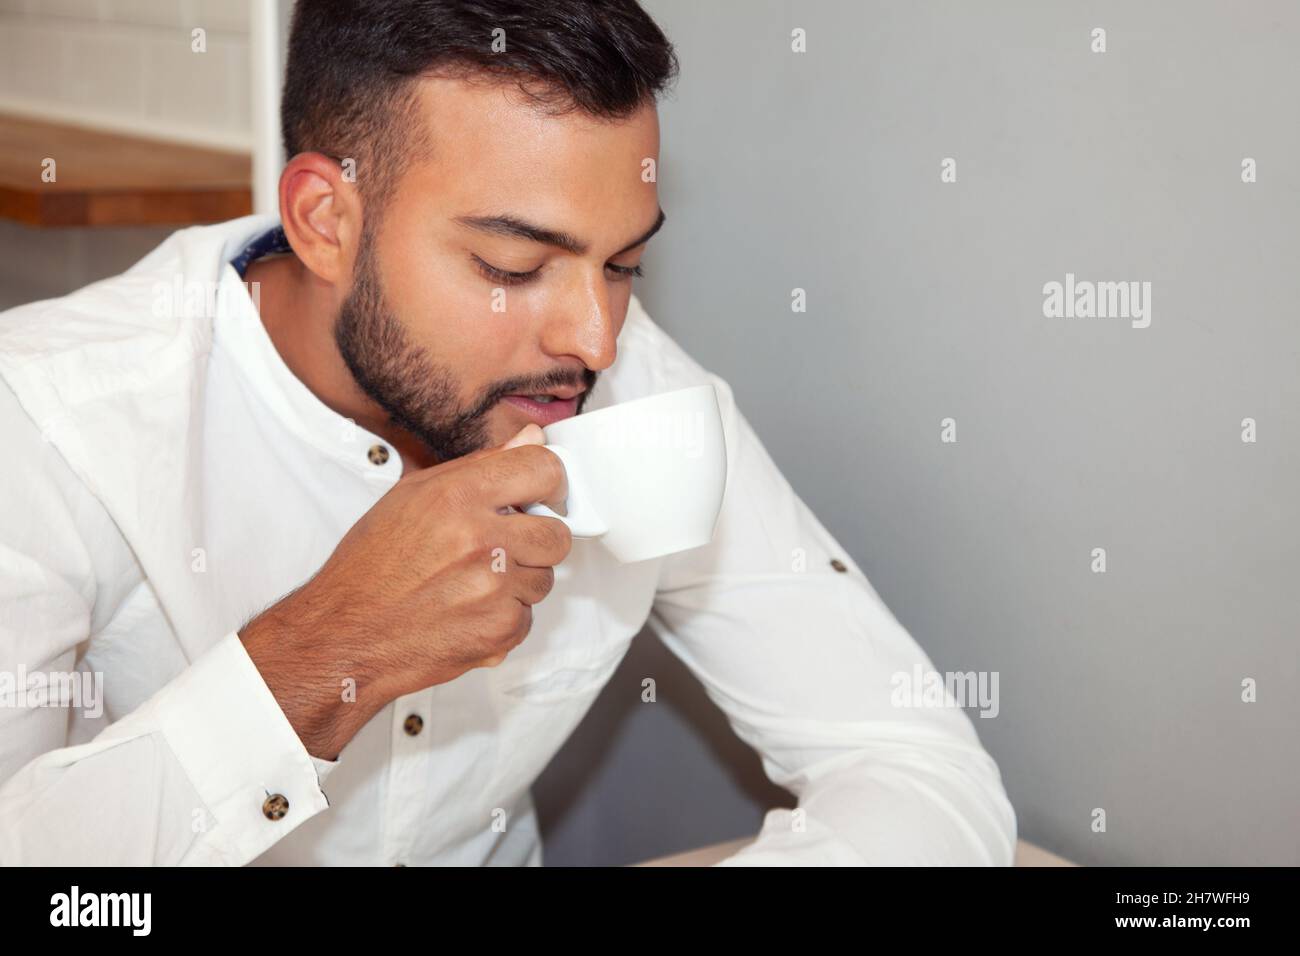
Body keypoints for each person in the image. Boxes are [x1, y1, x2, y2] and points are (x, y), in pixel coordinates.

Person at [0, 0, 1016, 865]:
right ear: (323, 220)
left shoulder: (634, 399)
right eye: (511, 266)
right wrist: (317, 656)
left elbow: (910, 759)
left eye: (622, 265)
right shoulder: (51, 414)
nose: (596, 338)